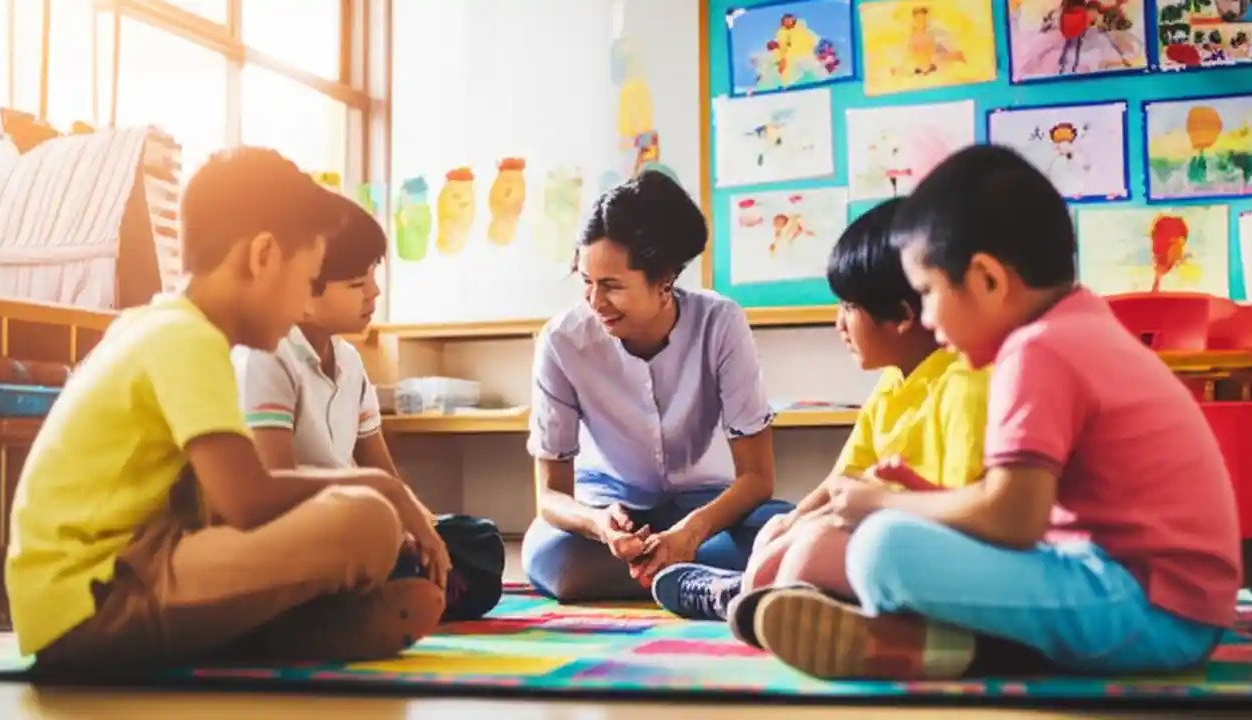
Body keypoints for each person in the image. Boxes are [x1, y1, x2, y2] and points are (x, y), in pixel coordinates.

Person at [748, 145, 1242, 681]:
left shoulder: (1038, 350)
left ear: (986, 279)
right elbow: (1023, 511)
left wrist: (885, 503)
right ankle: (931, 647)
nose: (928, 319)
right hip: (1167, 605)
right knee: (886, 537)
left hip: (1148, 609)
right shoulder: (1076, 328)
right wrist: (921, 499)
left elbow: (1013, 520)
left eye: (928, 292)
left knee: (880, 548)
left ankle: (941, 644)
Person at [5, 147, 445, 674]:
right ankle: (291, 630)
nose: (304, 305)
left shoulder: (160, 325)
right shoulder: (188, 339)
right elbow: (246, 500)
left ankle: (289, 627)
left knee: (362, 515)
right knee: (367, 520)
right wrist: (380, 484)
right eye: (307, 281)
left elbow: (219, 501)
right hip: (99, 596)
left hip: (97, 587)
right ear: (263, 256)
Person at [651, 198, 989, 626]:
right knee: (779, 530)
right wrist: (793, 521)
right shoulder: (893, 383)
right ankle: (748, 595)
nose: (839, 324)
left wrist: (846, 517)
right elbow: (841, 479)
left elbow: (962, 515)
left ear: (902, 317)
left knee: (814, 548)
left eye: (848, 307)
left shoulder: (966, 384)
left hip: (919, 547)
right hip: (879, 530)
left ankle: (744, 597)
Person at [522, 170, 793, 601]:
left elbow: (757, 478)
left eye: (611, 286)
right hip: (612, 515)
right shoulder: (562, 341)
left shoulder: (720, 323)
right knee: (549, 556)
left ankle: (671, 570)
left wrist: (692, 531)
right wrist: (598, 525)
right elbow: (551, 496)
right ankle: (690, 578)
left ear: (664, 280)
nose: (595, 302)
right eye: (586, 282)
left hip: (708, 510)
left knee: (788, 535)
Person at [232, 193, 504, 621]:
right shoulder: (268, 356)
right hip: (304, 528)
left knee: (479, 540)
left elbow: (384, 471)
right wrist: (386, 515)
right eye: (357, 283)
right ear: (304, 288)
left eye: (374, 275)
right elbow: (275, 490)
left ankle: (399, 588)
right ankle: (378, 596)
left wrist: (421, 526)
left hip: (358, 519)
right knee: (371, 530)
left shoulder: (350, 362)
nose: (374, 292)